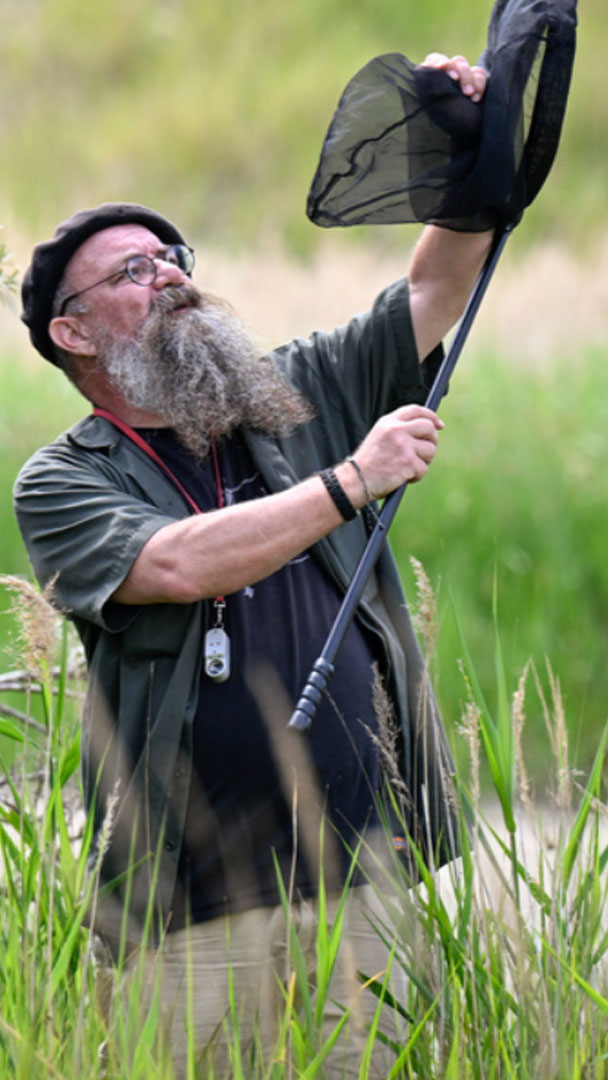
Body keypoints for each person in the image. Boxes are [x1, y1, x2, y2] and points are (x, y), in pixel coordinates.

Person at [10, 53, 490, 1079]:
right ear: (72, 332)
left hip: (360, 883)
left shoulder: (291, 395)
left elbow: (436, 284)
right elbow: (176, 565)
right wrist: (350, 482)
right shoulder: (61, 481)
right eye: (133, 272)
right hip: (187, 914)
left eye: (172, 255)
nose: (171, 274)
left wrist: (467, 148)